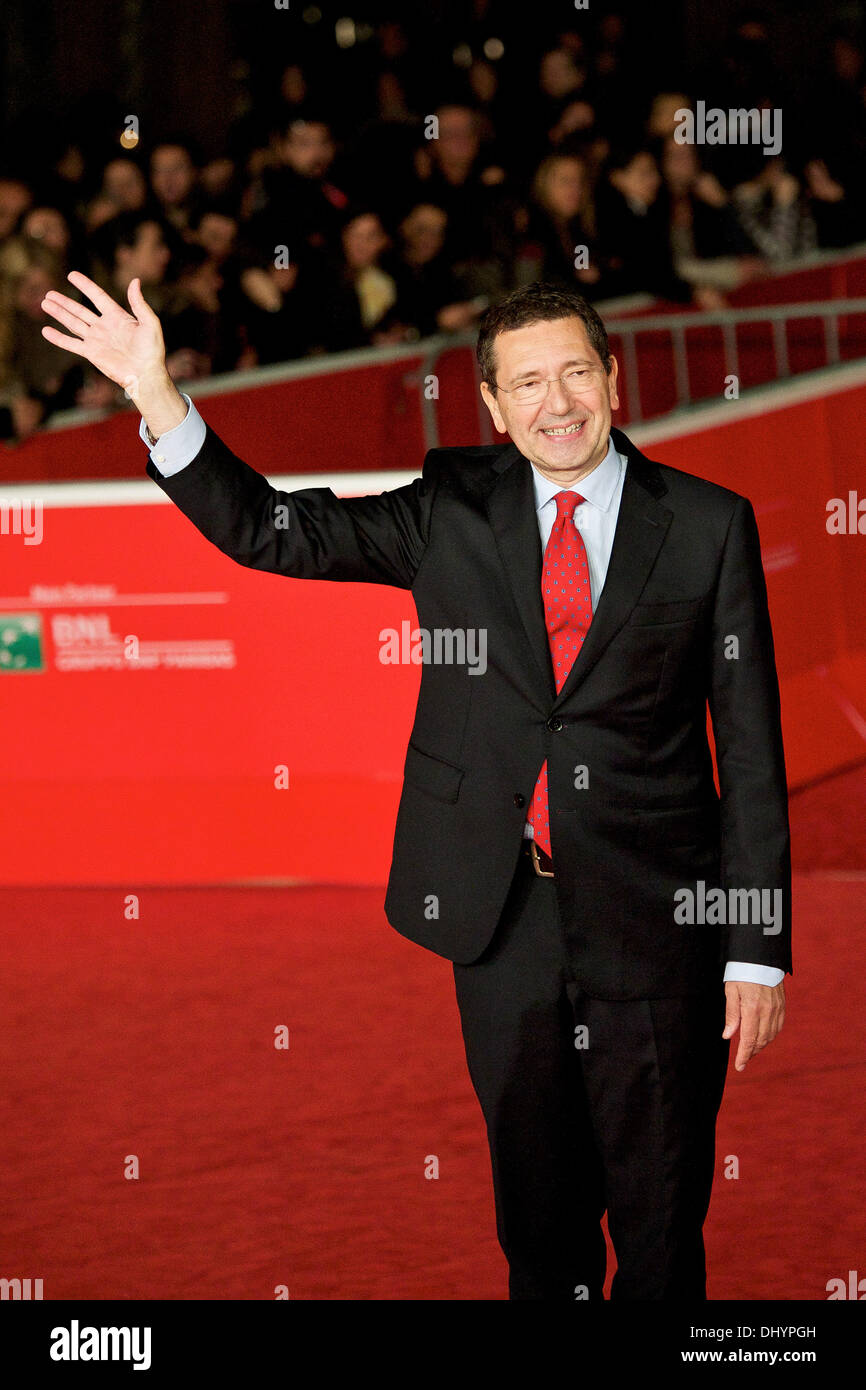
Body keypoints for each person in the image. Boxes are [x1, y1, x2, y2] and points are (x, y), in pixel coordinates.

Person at [40, 273, 791, 1301]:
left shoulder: (707, 524)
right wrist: (157, 397)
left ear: (612, 378)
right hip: (502, 913)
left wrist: (753, 947)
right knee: (538, 1225)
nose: (555, 402)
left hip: (659, 917)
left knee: (661, 1225)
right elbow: (276, 531)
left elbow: (747, 749)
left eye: (575, 370)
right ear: (489, 404)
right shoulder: (452, 506)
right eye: (525, 382)